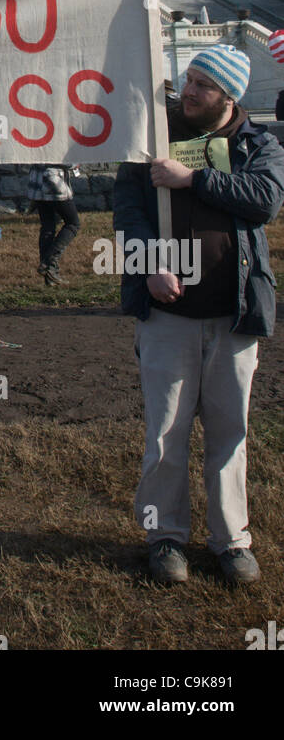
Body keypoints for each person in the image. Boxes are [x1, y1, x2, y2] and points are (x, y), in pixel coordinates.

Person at [114, 44, 284, 586]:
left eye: (203, 85)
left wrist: (193, 179)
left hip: (234, 315)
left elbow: (265, 200)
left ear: (228, 97)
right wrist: (147, 266)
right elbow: (129, 210)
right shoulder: (153, 137)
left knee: (229, 432)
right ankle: (164, 536)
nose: (189, 91)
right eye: (188, 79)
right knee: (166, 431)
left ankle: (231, 541)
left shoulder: (259, 142)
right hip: (167, 315)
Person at [26, 165, 80, 286]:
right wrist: (74, 163)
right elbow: (60, 157)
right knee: (73, 223)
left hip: (37, 181)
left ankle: (50, 274)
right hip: (53, 181)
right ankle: (48, 262)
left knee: (47, 227)